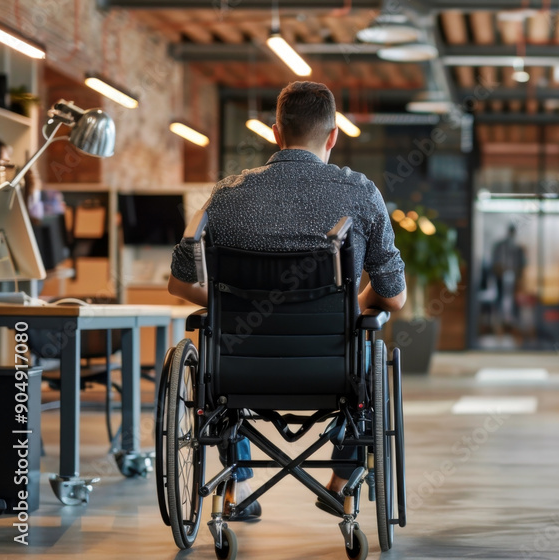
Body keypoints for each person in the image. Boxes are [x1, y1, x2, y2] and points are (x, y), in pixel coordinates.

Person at [168, 81, 406, 520]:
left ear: (275, 132)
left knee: (210, 347)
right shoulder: (360, 193)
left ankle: (239, 483)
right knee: (369, 352)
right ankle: (339, 482)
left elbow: (180, 285)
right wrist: (349, 307)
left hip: (240, 370)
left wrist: (227, 304)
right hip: (331, 369)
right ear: (333, 135)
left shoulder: (227, 193)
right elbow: (394, 297)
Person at [491, 223, 525, 329]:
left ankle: (513, 322)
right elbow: (495, 261)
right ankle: (499, 322)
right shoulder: (499, 246)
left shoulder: (518, 248)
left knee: (514, 299)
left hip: (514, 277)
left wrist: (518, 273)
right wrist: (499, 269)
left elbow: (522, 263)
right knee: (500, 298)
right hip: (500, 277)